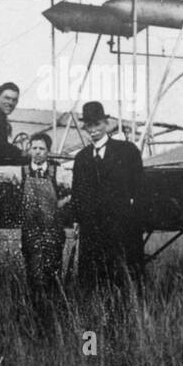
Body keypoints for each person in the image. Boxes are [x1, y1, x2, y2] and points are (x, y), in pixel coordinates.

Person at [0, 132, 71, 302]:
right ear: (29, 150)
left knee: (53, 276)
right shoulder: (21, 171)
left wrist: (62, 203)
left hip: (54, 233)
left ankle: (54, 312)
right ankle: (36, 313)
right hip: (31, 233)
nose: (37, 152)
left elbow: (79, 184)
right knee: (34, 275)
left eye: (41, 148)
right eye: (34, 148)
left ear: (48, 151)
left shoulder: (58, 172)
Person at [69, 101, 144, 290]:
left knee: (124, 277)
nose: (93, 130)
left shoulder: (127, 151)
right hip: (92, 228)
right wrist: (78, 219)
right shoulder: (82, 158)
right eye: (89, 126)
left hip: (121, 226)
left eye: (97, 124)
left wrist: (135, 219)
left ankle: (127, 313)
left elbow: (140, 188)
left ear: (106, 124)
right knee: (93, 278)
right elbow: (77, 192)